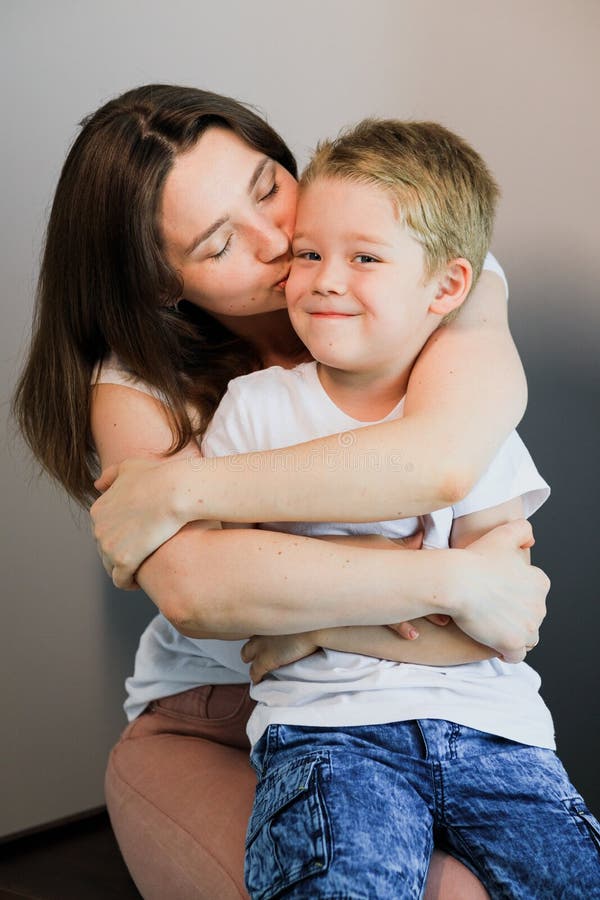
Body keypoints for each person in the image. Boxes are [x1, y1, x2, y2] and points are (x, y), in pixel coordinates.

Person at [13, 85, 549, 900]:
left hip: (423, 695)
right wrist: (456, 581)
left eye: (268, 187)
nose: (276, 241)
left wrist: (188, 491)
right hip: (220, 717)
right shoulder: (137, 388)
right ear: (163, 283)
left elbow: (436, 461)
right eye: (221, 242)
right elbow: (200, 591)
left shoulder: (414, 264)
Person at [191, 119, 600, 899]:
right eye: (308, 253)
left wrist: (323, 623)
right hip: (327, 735)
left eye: (365, 258)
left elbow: (502, 628)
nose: (326, 279)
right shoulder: (252, 411)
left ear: (447, 287)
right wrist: (432, 581)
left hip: (498, 733)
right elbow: (243, 602)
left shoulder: (466, 420)